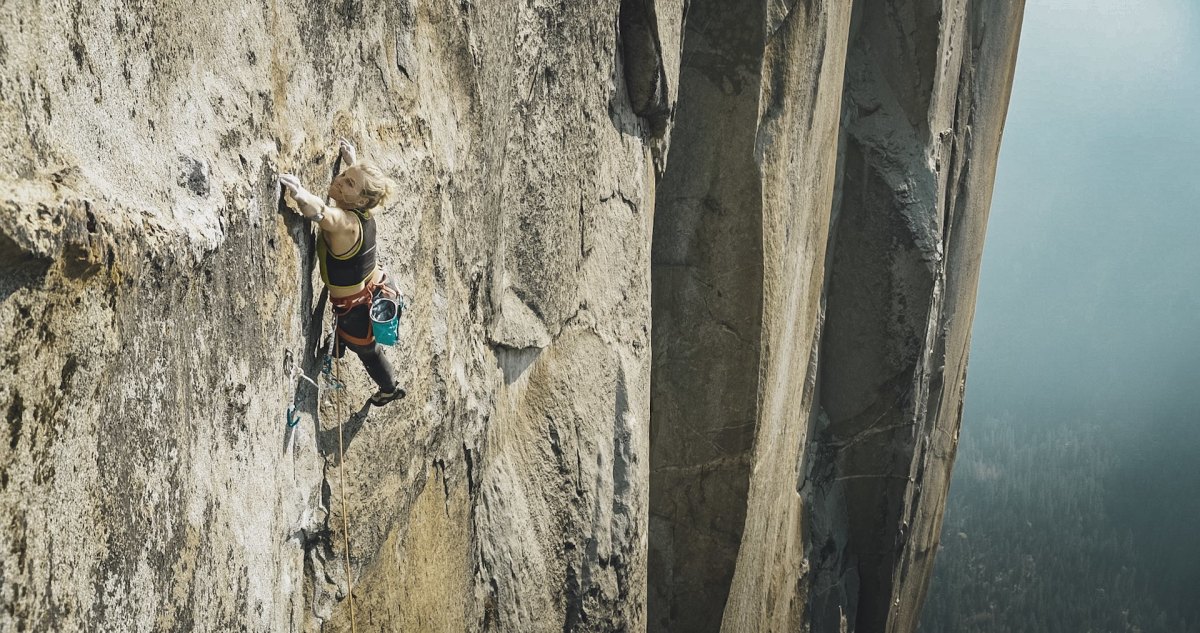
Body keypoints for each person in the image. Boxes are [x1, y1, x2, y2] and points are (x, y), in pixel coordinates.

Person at [279, 139, 406, 406]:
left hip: (357, 312)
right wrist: (353, 164)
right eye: (344, 175)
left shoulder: (347, 224)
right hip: (374, 286)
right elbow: (358, 193)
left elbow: (323, 214)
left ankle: (389, 389)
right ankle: (338, 345)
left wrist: (300, 194)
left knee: (369, 351)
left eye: (348, 183)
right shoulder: (364, 208)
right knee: (350, 337)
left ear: (361, 199)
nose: (339, 180)